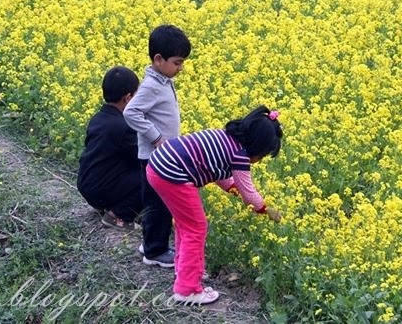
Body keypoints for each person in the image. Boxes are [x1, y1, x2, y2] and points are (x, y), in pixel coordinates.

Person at [146, 105, 283, 305]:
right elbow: (249, 194)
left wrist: (234, 191)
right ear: (256, 146)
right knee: (196, 228)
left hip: (157, 166)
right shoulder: (239, 155)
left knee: (186, 225)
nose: (259, 161)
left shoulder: (227, 139)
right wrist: (266, 210)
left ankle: (184, 272)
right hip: (172, 174)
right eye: (261, 156)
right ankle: (187, 289)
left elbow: (218, 174)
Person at [123, 24, 192, 268]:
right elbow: (130, 112)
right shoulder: (152, 85)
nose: (180, 68)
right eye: (177, 63)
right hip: (154, 157)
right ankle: (154, 251)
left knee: (158, 203)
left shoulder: (161, 79)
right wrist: (156, 138)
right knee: (158, 205)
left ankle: (150, 243)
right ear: (158, 59)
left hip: (161, 156)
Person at [77, 66, 143, 230]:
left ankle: (110, 205)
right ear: (128, 98)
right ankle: (118, 216)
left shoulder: (98, 118)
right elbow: (140, 157)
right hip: (101, 190)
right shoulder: (123, 127)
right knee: (151, 175)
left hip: (87, 185)